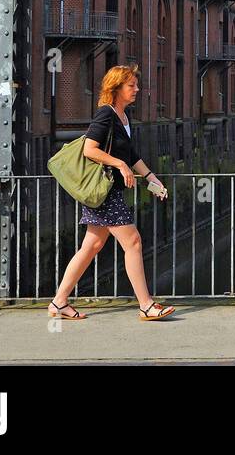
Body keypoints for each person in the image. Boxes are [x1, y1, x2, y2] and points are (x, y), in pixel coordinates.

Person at [48, 64, 176, 322]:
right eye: (131, 85)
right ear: (116, 88)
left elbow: (132, 155)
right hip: (104, 192)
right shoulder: (105, 115)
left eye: (136, 85)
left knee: (92, 245)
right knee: (133, 242)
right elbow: (90, 150)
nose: (137, 89)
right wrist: (119, 164)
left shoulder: (123, 117)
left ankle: (59, 302)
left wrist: (152, 179)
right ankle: (146, 305)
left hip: (109, 191)